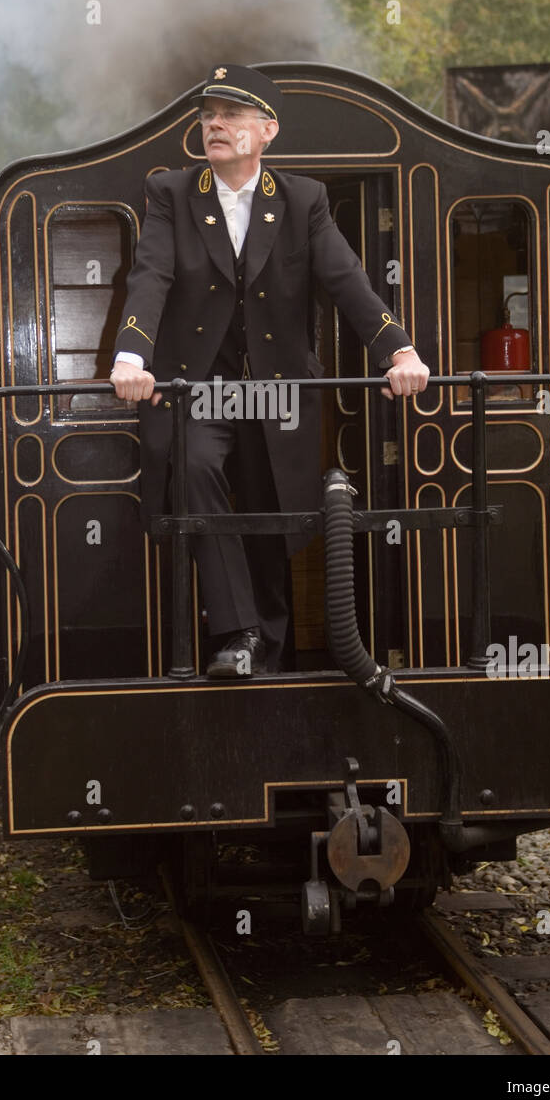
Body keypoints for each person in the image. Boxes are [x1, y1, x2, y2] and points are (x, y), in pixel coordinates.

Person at [110, 64, 429, 678]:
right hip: (198, 389)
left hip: (275, 392)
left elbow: (346, 281)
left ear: (268, 129)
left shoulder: (304, 199)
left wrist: (399, 351)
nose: (216, 125)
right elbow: (150, 275)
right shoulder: (171, 194)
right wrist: (131, 356)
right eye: (208, 116)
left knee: (271, 509)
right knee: (194, 468)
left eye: (231, 115)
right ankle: (239, 633)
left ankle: (271, 658)